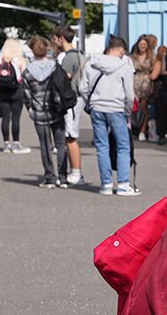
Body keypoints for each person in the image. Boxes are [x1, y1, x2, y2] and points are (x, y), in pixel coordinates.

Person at [84, 36, 139, 196]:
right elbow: (129, 94)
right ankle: (123, 183)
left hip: (97, 107)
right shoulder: (125, 67)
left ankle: (106, 184)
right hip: (116, 108)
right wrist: (128, 109)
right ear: (121, 50)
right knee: (123, 146)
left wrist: (91, 103)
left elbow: (83, 88)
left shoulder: (91, 63)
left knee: (102, 146)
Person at [21, 35, 69, 188]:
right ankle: (63, 176)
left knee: (45, 145)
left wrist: (31, 109)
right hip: (56, 109)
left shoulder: (28, 72)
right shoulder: (55, 67)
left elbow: (27, 96)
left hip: (39, 111)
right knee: (61, 144)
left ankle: (50, 176)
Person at [52, 24, 87, 186]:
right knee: (70, 135)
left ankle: (76, 172)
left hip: (71, 99)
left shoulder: (68, 57)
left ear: (61, 39)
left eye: (55, 38)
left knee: (70, 136)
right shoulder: (79, 54)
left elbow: (63, 79)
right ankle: (75, 171)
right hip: (78, 98)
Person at [0, 39, 30, 154]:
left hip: (3, 91)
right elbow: (25, 75)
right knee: (16, 118)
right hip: (16, 90)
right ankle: (16, 143)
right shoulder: (19, 59)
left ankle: (6, 144)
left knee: (5, 118)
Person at [130, 35, 157, 142]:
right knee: (133, 107)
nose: (142, 46)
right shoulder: (133, 56)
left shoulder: (152, 56)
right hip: (134, 82)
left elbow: (155, 69)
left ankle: (142, 130)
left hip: (146, 83)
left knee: (144, 107)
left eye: (145, 45)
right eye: (141, 44)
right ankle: (133, 127)